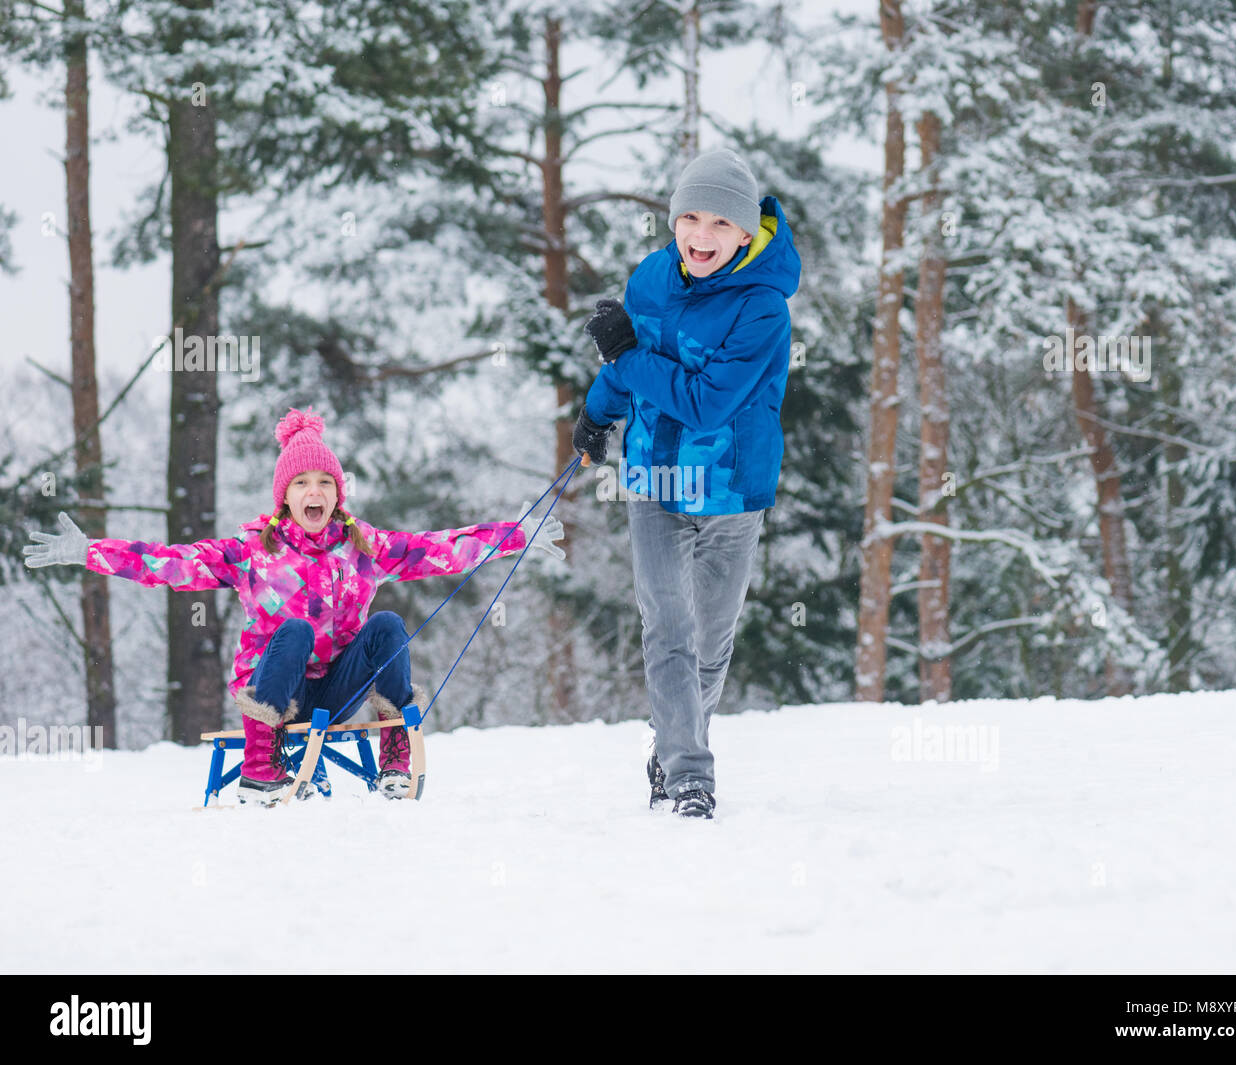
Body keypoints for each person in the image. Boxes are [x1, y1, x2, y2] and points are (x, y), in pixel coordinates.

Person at [24, 408, 563, 805]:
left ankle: (396, 750)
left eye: (325, 482)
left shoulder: (364, 549)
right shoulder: (253, 552)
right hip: (275, 690)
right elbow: (170, 562)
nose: (315, 491)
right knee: (296, 630)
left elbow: (441, 548)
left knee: (388, 625)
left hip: (334, 688)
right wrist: (91, 553)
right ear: (285, 495)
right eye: (302, 482)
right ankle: (261, 767)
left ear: (337, 494)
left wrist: (518, 534)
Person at [573, 148, 801, 819]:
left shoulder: (763, 310)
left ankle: (674, 741)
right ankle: (689, 775)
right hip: (654, 482)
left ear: (745, 232)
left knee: (710, 641)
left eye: (719, 224)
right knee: (667, 627)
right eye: (689, 218)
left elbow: (703, 402)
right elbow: (627, 370)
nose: (701, 236)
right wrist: (595, 417)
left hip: (731, 487)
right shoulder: (650, 280)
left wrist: (627, 358)